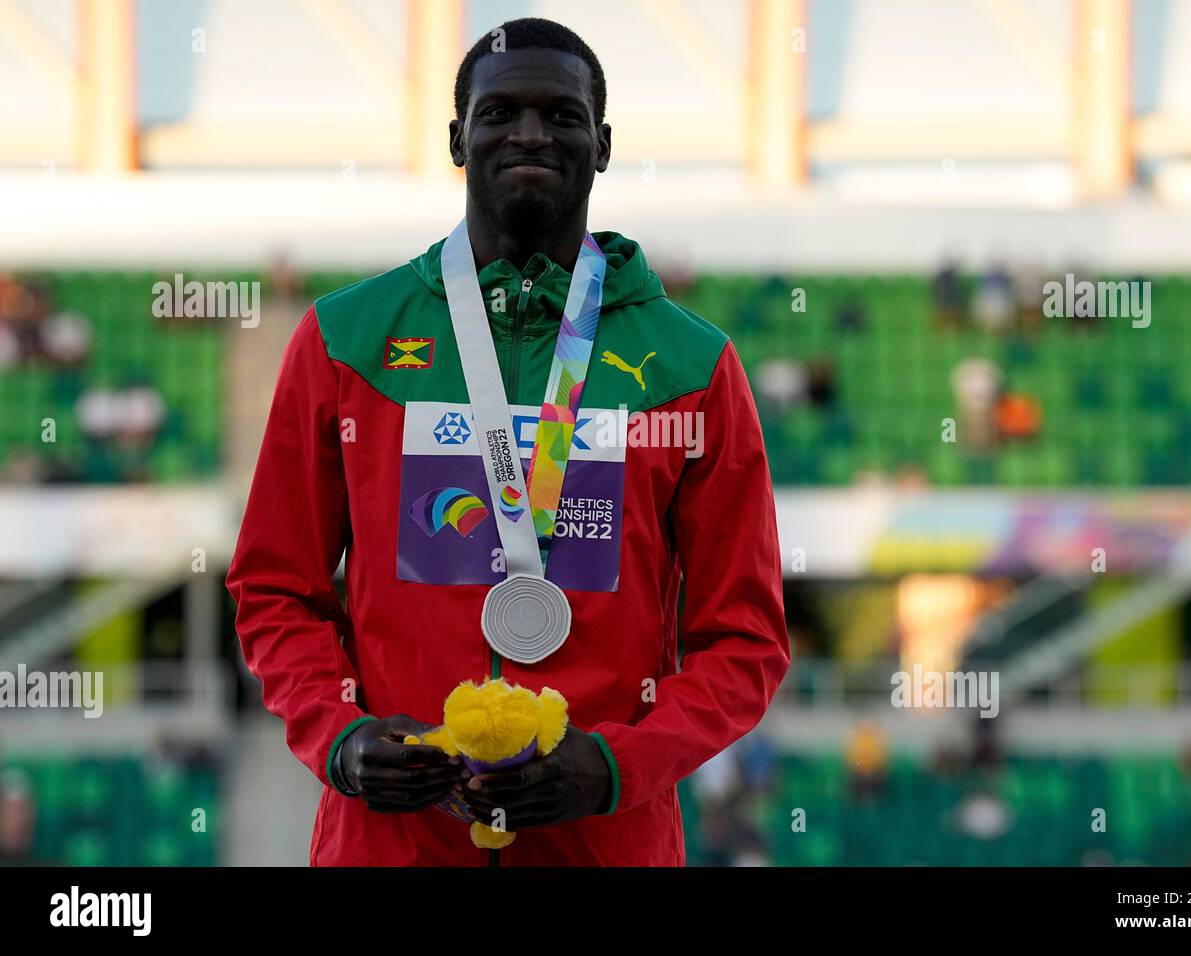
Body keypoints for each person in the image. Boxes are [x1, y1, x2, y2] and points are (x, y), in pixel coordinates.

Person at [226, 18, 788, 866]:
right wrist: (341, 738)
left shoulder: (693, 365)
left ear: (601, 144)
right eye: (499, 113)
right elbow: (276, 589)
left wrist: (612, 767)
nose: (530, 134)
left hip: (607, 844)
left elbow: (743, 638)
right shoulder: (347, 342)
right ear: (458, 138)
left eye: (561, 115)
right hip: (391, 846)